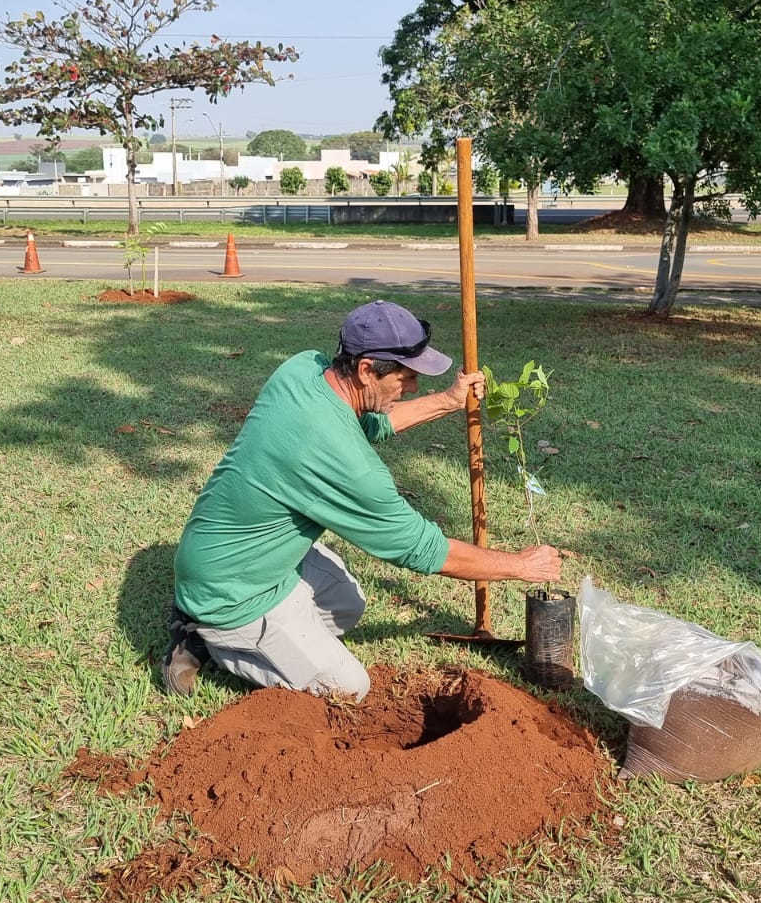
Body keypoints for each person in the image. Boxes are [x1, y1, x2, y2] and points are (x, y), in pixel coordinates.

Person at [162, 299, 563, 700]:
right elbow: (422, 549)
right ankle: (208, 633)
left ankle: (264, 629)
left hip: (239, 550)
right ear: (367, 369)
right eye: (405, 378)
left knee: (346, 605)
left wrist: (447, 400)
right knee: (349, 688)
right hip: (232, 589)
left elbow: (369, 424)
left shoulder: (303, 369)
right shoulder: (346, 466)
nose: (411, 388)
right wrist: (522, 566)